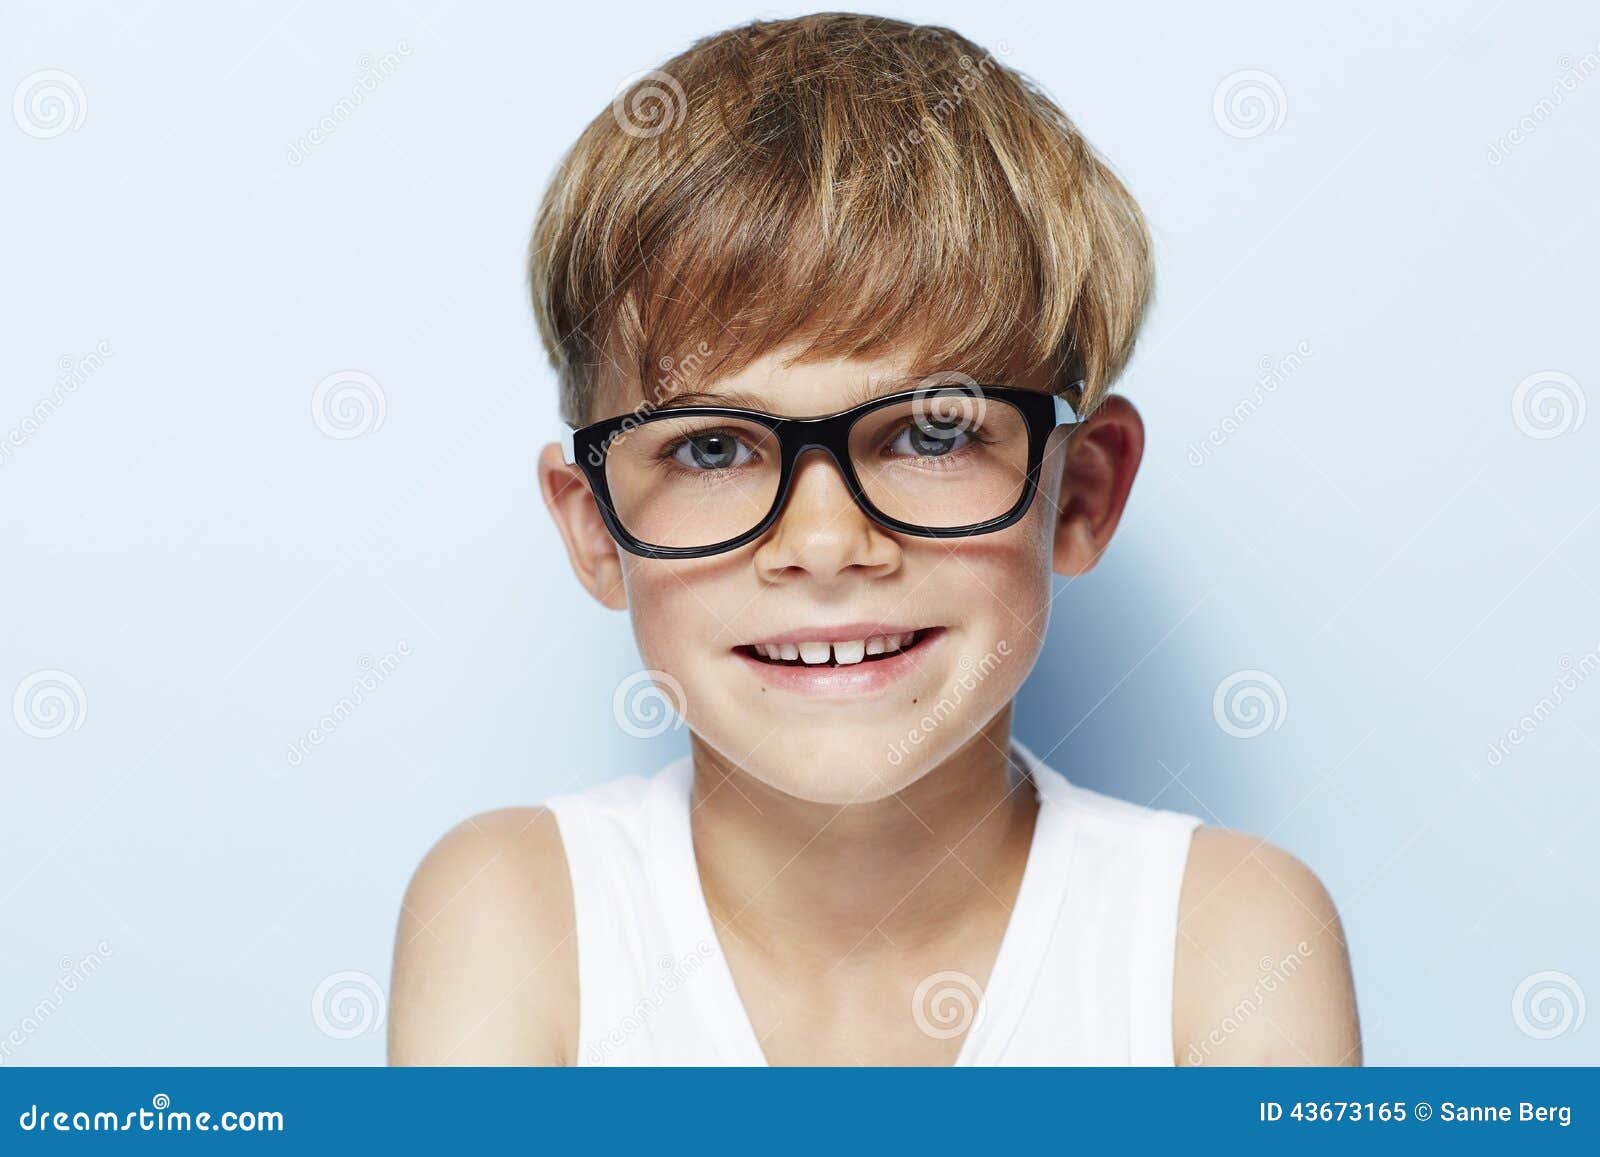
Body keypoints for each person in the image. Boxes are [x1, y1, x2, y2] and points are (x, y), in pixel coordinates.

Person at [388, 12, 1360, 1066]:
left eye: (928, 431)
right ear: (593, 527)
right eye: (712, 448)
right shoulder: (516, 915)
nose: (824, 540)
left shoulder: (1222, 939)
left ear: (1078, 493)